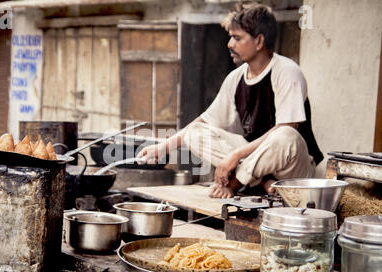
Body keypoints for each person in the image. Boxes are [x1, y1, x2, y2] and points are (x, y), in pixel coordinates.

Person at [137, 4, 323, 199]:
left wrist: (234, 156)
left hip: (292, 170)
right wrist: (162, 147)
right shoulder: (235, 78)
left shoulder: (287, 71)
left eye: (237, 38)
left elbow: (288, 129)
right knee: (194, 132)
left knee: (286, 135)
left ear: (259, 41)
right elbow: (203, 122)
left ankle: (236, 183)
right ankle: (263, 182)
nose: (229, 44)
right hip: (256, 166)